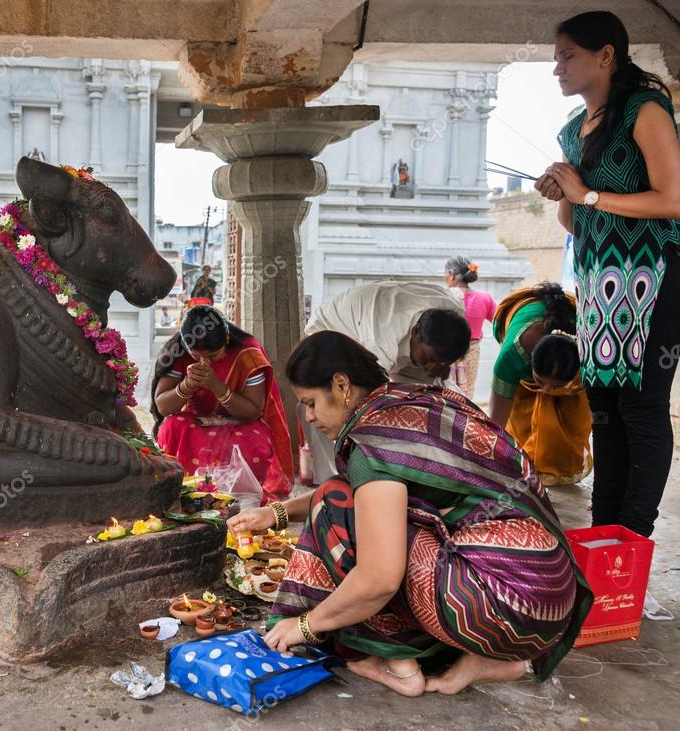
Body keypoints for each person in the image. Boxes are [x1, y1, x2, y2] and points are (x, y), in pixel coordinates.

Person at [228, 331, 591, 697]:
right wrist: (276, 512)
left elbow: (379, 578)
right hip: (548, 604)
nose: (309, 418)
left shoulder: (372, 441)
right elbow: (365, 489)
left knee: (332, 507)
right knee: (362, 507)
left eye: (310, 403)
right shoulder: (411, 402)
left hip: (496, 602)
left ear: (341, 385)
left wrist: (306, 625)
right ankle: (493, 657)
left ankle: (397, 661)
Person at [537, 10, 680, 538]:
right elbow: (578, 218)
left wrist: (587, 192)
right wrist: (563, 194)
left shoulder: (645, 109)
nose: (558, 69)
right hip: (598, 278)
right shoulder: (573, 130)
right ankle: (603, 538)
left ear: (605, 55)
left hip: (654, 273)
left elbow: (674, 199)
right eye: (555, 59)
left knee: (641, 407)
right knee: (604, 407)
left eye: (568, 55)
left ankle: (632, 540)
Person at [302, 281, 471, 483]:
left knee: (441, 398)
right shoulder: (381, 338)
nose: (431, 368)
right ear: (416, 333)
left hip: (395, 338)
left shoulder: (452, 317)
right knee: (336, 409)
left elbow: (435, 379)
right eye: (428, 360)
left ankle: (453, 466)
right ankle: (339, 480)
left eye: (442, 363)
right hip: (334, 332)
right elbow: (374, 402)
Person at [151, 305, 292, 502]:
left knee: (254, 443)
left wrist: (217, 387)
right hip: (196, 422)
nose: (204, 362)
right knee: (172, 427)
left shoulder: (247, 352)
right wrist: (187, 385)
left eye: (212, 356)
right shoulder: (180, 351)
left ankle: (239, 499)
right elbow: (163, 406)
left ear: (225, 340)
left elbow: (253, 411)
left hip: (241, 422)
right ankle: (188, 495)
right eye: (196, 355)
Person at [489, 283, 592, 486]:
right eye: (540, 381)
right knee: (520, 420)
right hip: (522, 348)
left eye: (556, 387)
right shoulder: (512, 356)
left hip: (574, 352)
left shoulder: (590, 355)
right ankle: (523, 464)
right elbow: (495, 423)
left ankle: (560, 467)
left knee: (572, 418)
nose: (545, 391)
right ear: (530, 363)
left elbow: (597, 417)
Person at [444, 256, 496, 400]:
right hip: (471, 353)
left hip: (445, 353)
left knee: (444, 392)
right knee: (466, 394)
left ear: (451, 274)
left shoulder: (444, 296)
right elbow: (501, 323)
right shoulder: (485, 298)